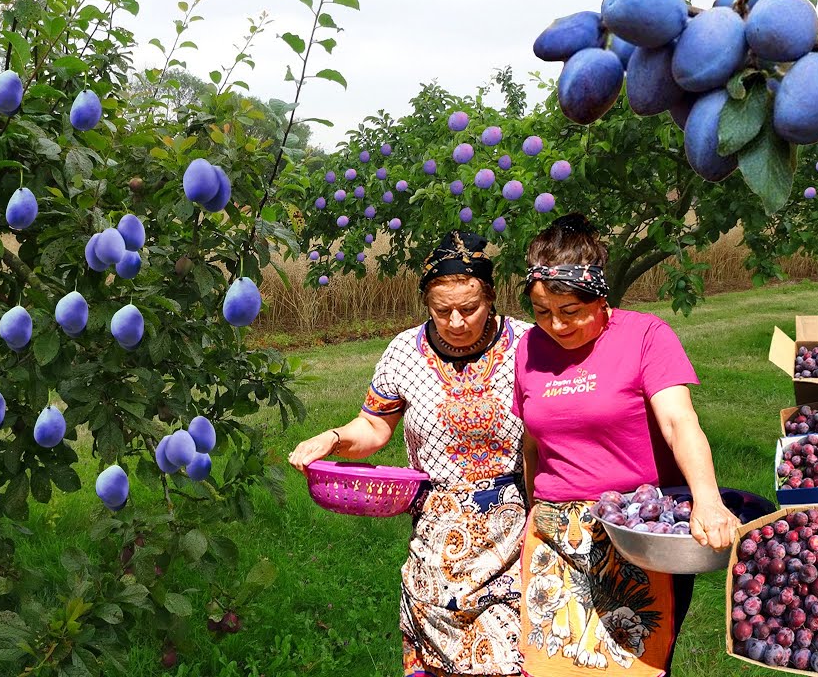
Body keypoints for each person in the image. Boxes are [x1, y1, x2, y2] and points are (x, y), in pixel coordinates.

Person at [289, 230, 533, 677]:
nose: (456, 322)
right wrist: (333, 438)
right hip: (435, 535)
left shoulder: (528, 346)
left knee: (510, 659)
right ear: (427, 304)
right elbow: (374, 426)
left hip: (516, 530)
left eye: (470, 308)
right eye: (443, 311)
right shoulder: (404, 352)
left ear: (492, 297)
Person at [510, 213, 739, 677]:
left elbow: (679, 422)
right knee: (553, 666)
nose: (555, 324)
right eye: (541, 311)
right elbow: (533, 444)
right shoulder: (529, 349)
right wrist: (534, 508)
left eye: (570, 311)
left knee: (631, 666)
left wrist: (709, 502)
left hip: (636, 534)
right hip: (558, 534)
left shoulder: (645, 336)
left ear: (600, 297)